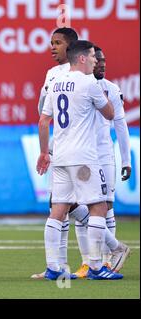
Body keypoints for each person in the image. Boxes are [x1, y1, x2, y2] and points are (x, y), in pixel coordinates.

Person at [37, 40, 125, 280]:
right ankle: (96, 266)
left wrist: (44, 152)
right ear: (82, 58)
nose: (97, 61)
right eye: (93, 57)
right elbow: (110, 114)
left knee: (58, 210)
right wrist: (102, 98)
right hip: (84, 157)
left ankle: (54, 267)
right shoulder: (89, 83)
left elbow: (43, 121)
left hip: (61, 156)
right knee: (98, 207)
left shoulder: (54, 83)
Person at [31, 27, 87, 279]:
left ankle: (99, 257)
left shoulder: (82, 72)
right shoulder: (51, 73)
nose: (52, 47)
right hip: (60, 147)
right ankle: (59, 266)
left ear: (71, 47)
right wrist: (46, 149)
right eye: (51, 43)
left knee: (86, 206)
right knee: (60, 206)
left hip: (81, 147)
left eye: (58, 43)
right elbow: (43, 110)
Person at [70, 46, 132, 274]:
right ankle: (87, 261)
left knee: (105, 206)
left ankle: (107, 260)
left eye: (104, 60)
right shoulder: (77, 86)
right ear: (87, 60)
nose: (102, 64)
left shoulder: (112, 90)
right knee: (79, 206)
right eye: (98, 59)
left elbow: (120, 125)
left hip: (103, 156)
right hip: (81, 155)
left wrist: (126, 160)